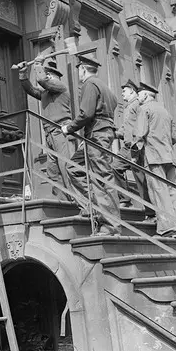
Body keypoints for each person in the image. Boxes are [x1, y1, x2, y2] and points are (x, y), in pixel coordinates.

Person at [61, 54, 120, 236]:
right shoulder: (106, 88)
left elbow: (86, 113)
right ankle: (92, 208)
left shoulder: (89, 84)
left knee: (101, 177)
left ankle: (110, 225)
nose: (78, 73)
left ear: (83, 69)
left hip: (96, 135)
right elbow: (114, 105)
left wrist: (68, 128)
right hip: (102, 133)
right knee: (73, 168)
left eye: (79, 69)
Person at [132, 82, 176, 238]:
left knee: (159, 192)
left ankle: (167, 228)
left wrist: (134, 155)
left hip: (154, 156)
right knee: (173, 192)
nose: (138, 97)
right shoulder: (165, 111)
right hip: (169, 156)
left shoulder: (144, 109)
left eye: (139, 95)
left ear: (146, 95)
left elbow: (140, 134)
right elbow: (173, 137)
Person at [18, 56, 73, 200]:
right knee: (53, 169)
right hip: (49, 133)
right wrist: (23, 74)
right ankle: (62, 199)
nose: (45, 77)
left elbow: (42, 81)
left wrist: (37, 65)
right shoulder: (46, 93)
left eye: (48, 75)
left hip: (60, 130)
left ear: (54, 77)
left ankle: (75, 199)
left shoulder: (60, 87)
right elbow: (30, 89)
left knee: (65, 166)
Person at [113, 79, 146, 208]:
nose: (122, 94)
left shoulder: (137, 104)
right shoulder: (128, 107)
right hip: (126, 147)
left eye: (124, 91)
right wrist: (114, 134)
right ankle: (125, 199)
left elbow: (141, 125)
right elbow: (125, 128)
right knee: (115, 167)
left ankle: (150, 212)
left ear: (132, 90)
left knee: (140, 179)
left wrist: (138, 145)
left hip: (135, 147)